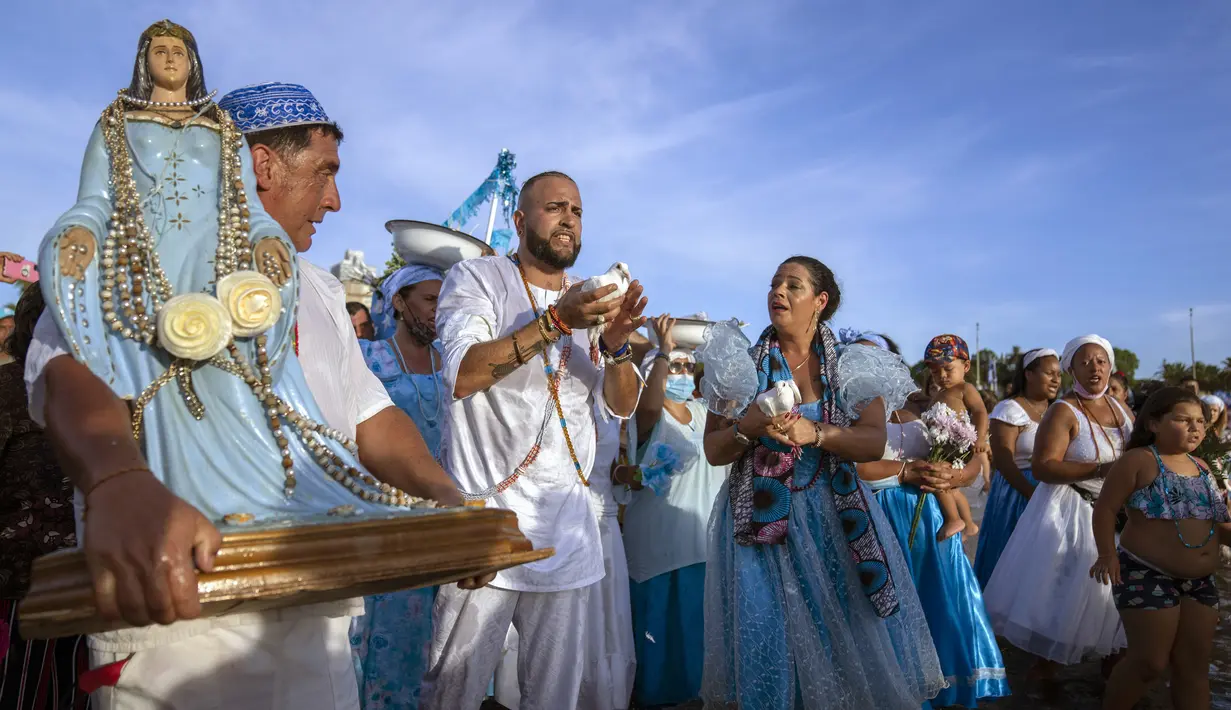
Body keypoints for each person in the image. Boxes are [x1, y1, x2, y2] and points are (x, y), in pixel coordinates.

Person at [28, 29, 465, 707]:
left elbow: (370, 416)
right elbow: (66, 373)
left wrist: (445, 500)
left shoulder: (315, 289)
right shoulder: (133, 258)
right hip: (173, 619)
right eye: (325, 172)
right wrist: (117, 478)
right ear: (261, 165)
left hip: (317, 615)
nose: (335, 201)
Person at [422, 171, 647, 710]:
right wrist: (553, 322)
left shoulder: (590, 299)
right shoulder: (476, 279)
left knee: (555, 696)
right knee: (454, 690)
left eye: (577, 209)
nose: (569, 217)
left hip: (565, 527)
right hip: (484, 521)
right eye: (554, 207)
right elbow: (464, 374)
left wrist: (615, 347)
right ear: (520, 221)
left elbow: (619, 403)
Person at [700, 256, 943, 709]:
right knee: (770, 640)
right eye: (775, 284)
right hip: (759, 531)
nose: (779, 292)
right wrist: (748, 427)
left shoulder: (851, 365)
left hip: (833, 520)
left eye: (793, 285)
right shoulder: (739, 366)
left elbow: (872, 443)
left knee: (842, 639)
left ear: (821, 301)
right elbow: (714, 450)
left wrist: (819, 433)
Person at [855, 334, 1009, 709]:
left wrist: (956, 477)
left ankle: (945, 685)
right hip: (877, 517)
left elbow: (968, 462)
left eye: (878, 358)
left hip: (931, 519)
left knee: (938, 602)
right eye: (858, 358)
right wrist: (906, 472)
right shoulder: (848, 412)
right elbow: (855, 466)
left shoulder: (925, 402)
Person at [983, 335, 1133, 686]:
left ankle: (1112, 670)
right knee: (1064, 592)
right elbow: (1044, 466)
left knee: (1114, 597)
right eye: (1084, 362)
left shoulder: (1122, 409)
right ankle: (1045, 674)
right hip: (1074, 510)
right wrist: (1099, 471)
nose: (1094, 367)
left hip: (1118, 514)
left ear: (1110, 365)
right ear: (1072, 369)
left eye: (1101, 360)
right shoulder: (1063, 410)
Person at [1091, 387, 1231, 710]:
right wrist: (1107, 554)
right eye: (1183, 419)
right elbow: (1105, 509)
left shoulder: (1203, 469)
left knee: (1193, 666)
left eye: (1200, 421)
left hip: (1200, 582)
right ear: (1153, 423)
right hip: (1146, 572)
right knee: (1149, 662)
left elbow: (1218, 527)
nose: (1195, 427)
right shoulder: (1138, 461)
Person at [346, 264, 447, 709]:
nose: (438, 310)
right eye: (429, 299)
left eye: (445, 299)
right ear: (400, 303)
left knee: (438, 646)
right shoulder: (370, 358)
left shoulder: (458, 364)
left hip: (445, 523)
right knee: (377, 639)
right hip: (383, 523)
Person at [615, 316, 726, 708]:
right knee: (655, 644)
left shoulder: (703, 415)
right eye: (673, 367)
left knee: (696, 642)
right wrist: (661, 350)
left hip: (700, 547)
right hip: (656, 548)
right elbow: (649, 403)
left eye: (686, 366)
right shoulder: (645, 418)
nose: (681, 372)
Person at [1, 285, 90, 710]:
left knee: (76, 687)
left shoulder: (103, 395)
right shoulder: (7, 388)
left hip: (88, 573)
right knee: (23, 688)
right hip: (23, 581)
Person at [972, 347, 1062, 588]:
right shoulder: (1009, 409)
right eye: (1049, 373)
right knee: (1012, 565)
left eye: (1059, 374)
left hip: (1053, 493)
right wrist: (1032, 494)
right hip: (1017, 492)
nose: (1056, 379)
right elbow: (1003, 459)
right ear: (1029, 374)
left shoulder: (1059, 410)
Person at [922, 335, 989, 541]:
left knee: (939, 477)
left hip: (960, 444)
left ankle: (954, 519)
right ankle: (967, 523)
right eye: (935, 372)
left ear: (966, 366)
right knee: (950, 487)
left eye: (948, 369)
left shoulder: (964, 389)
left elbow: (980, 412)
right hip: (943, 443)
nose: (942, 375)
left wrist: (979, 438)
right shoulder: (938, 394)